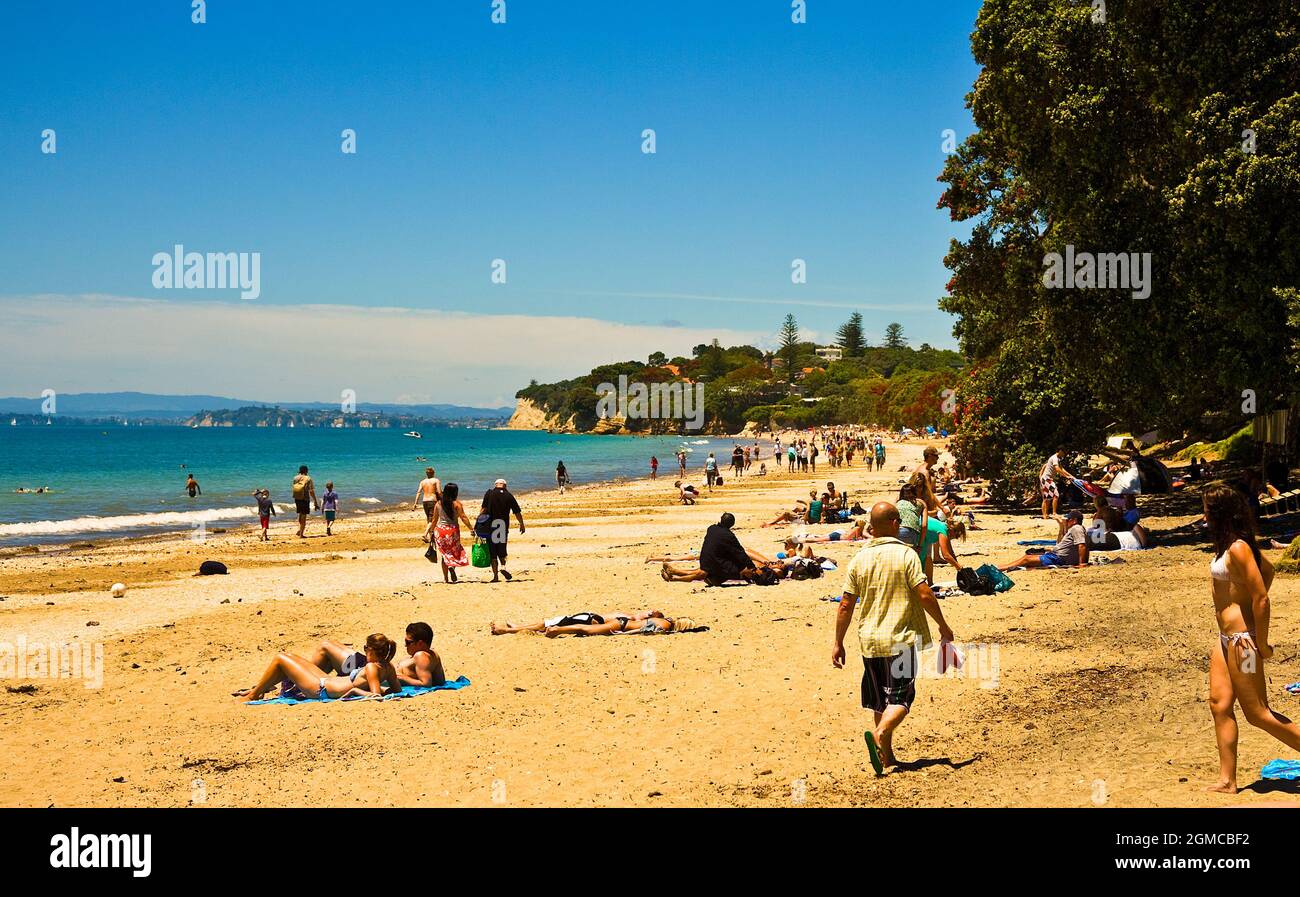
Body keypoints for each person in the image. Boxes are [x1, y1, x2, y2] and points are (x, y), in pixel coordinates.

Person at [832, 502, 955, 775]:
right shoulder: (906, 555)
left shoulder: (859, 559)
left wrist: (838, 642)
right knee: (901, 698)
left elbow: (845, 604)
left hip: (870, 640)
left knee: (880, 701)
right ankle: (880, 736)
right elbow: (924, 594)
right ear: (896, 523)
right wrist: (944, 627)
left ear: (872, 528)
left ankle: (886, 757)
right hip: (901, 637)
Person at [1202, 483, 1300, 793]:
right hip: (1225, 639)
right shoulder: (1229, 547)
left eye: (1206, 510)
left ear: (1219, 513)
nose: (1203, 516)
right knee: (1219, 704)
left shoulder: (1239, 548)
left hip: (1243, 641)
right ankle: (1228, 781)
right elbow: (1268, 570)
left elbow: (1261, 597)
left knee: (1258, 713)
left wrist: (1262, 641)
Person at [237, 633, 402, 702]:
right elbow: (395, 690)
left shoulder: (372, 667)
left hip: (321, 689)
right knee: (289, 657)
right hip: (327, 681)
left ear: (372, 651)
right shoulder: (389, 667)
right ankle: (259, 689)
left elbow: (376, 696)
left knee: (280, 658)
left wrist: (355, 691)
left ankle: (253, 695)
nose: (364, 651)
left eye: (366, 648)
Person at [998, 510, 1088, 570]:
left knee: (1027, 559)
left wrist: (1082, 563)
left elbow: (1082, 546)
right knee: (1028, 556)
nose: (1067, 522)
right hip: (1057, 556)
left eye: (1068, 520)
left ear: (1074, 520)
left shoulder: (1077, 528)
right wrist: (1061, 526)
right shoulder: (1075, 529)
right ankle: (1002, 566)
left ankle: (1001, 568)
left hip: (1059, 559)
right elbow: (1060, 543)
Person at [479, 478, 525, 583]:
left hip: (490, 526)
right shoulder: (509, 495)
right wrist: (521, 524)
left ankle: (495, 577)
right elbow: (517, 512)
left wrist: (478, 523)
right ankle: (503, 567)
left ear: (495, 485)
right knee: (502, 550)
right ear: (505, 486)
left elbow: (483, 509)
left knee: (493, 553)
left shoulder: (489, 493)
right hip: (502, 526)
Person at [694, 512, 757, 586]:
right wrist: (752, 566)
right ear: (732, 524)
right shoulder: (728, 535)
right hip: (713, 564)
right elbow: (740, 553)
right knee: (740, 569)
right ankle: (714, 579)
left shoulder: (711, 528)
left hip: (703, 563)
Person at [491, 609, 663, 635]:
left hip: (590, 620)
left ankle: (508, 630)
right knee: (546, 623)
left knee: (546, 623)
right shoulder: (633, 616)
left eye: (652, 612)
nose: (649, 610)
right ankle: (517, 627)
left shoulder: (635, 619)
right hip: (590, 617)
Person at [433, 483, 475, 583]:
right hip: (453, 531)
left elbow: (434, 519)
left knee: (445, 554)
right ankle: (452, 567)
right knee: (454, 552)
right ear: (455, 492)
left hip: (441, 531)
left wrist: (430, 531)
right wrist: (471, 529)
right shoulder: (457, 504)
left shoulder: (438, 503)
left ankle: (446, 579)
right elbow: (463, 517)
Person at [1039, 447, 1074, 519]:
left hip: (1047, 479)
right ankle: (1054, 513)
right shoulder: (1055, 458)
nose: (1065, 454)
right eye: (1064, 452)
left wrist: (1070, 476)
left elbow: (1062, 469)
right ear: (1060, 451)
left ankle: (1045, 515)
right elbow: (1057, 469)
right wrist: (1067, 477)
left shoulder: (1057, 459)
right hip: (1046, 479)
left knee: (1047, 498)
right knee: (1056, 494)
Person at [896, 483, 927, 549]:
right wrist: (920, 545)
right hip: (911, 531)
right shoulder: (921, 503)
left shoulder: (898, 502)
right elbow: (924, 525)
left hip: (896, 530)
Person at [413, 467, 442, 540]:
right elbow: (439, 492)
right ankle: (425, 534)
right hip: (432, 500)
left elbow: (418, 492)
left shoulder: (422, 482)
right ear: (433, 473)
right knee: (432, 519)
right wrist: (443, 499)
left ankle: (430, 535)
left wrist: (415, 503)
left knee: (428, 519)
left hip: (424, 501)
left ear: (426, 473)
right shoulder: (436, 480)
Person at [291, 465, 318, 538]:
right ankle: (301, 534)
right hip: (305, 499)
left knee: (300, 514)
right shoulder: (308, 478)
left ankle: (300, 530)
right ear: (306, 471)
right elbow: (311, 491)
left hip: (297, 498)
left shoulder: (295, 478)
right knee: (304, 516)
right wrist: (315, 501)